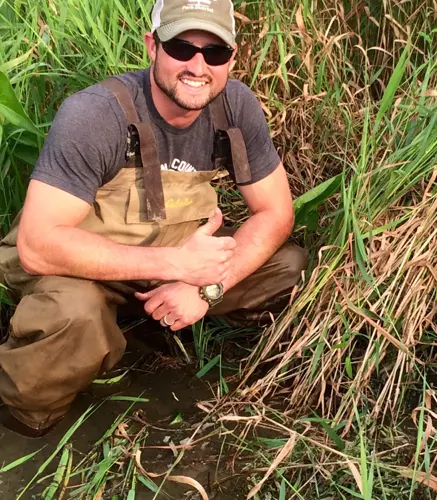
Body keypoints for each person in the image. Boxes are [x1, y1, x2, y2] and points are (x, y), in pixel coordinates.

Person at [0, 0, 308, 438]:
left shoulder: (235, 108)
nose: (198, 66)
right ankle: (23, 421)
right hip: (79, 271)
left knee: (287, 267)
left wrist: (205, 287)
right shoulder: (96, 115)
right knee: (75, 315)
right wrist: (176, 267)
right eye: (182, 47)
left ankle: (144, 333)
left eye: (215, 52)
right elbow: (38, 246)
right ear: (153, 46)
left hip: (175, 269)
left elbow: (276, 211)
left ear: (232, 59)